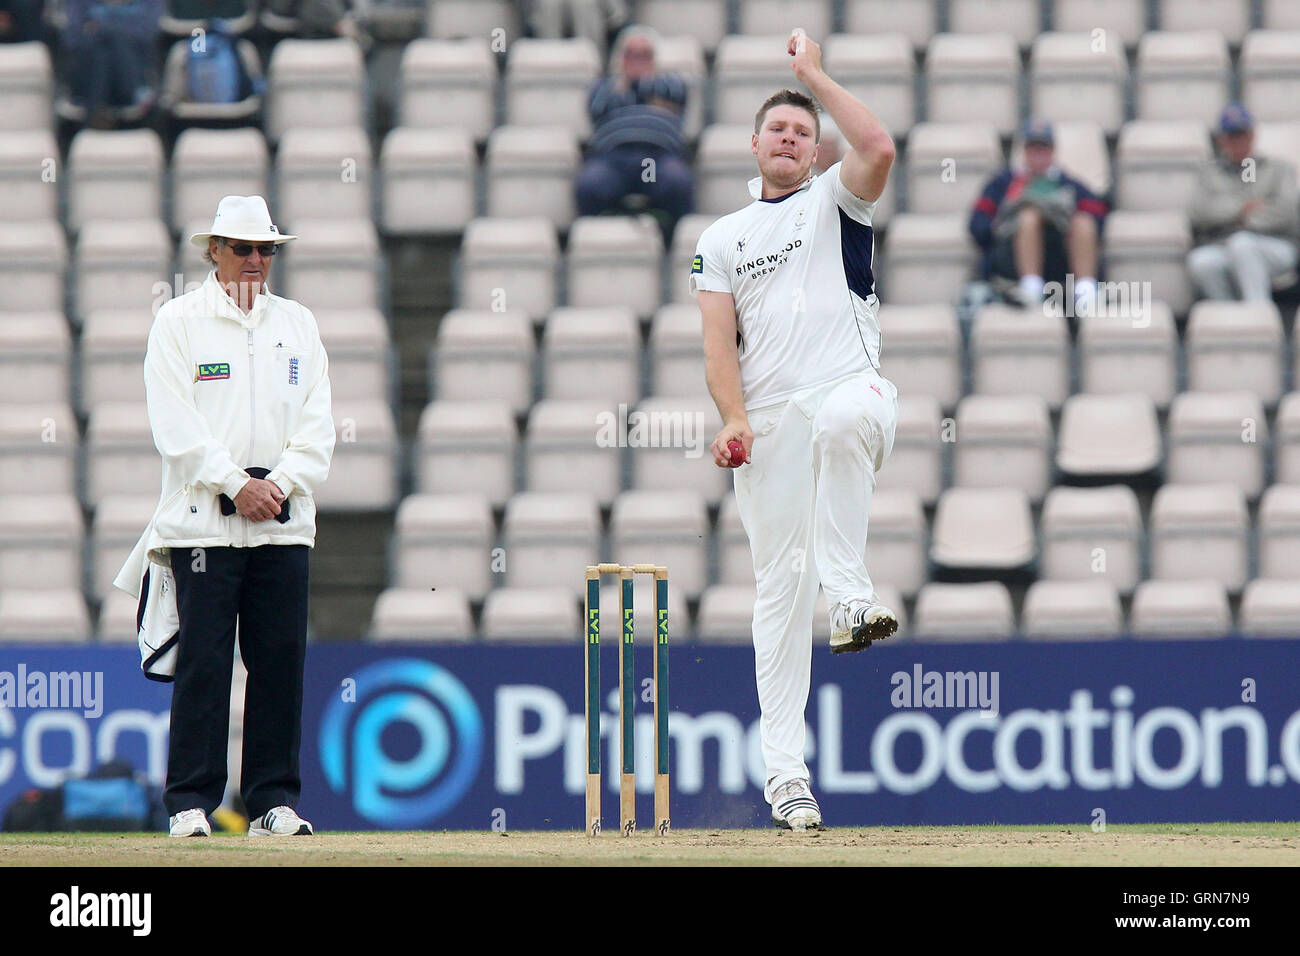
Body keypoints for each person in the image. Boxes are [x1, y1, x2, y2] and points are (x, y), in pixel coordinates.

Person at [690, 30, 899, 831]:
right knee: (778, 596)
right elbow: (717, 346)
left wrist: (814, 77)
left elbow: (877, 143)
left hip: (853, 387)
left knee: (847, 416)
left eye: (803, 131)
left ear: (817, 152)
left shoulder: (838, 198)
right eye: (778, 127)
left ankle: (849, 600)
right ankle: (788, 782)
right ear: (753, 144)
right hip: (771, 424)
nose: (789, 138)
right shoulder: (721, 240)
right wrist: (734, 418)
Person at [122, 195, 334, 838]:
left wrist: (277, 488)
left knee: (278, 665)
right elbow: (175, 429)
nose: (254, 260)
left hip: (281, 524)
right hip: (201, 526)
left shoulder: (298, 324)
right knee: (205, 666)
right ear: (212, 250)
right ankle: (190, 802)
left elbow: (318, 428)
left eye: (265, 249)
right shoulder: (179, 322)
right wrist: (236, 484)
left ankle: (272, 801)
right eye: (242, 248)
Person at [968, 118, 1108, 311]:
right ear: (1024, 151)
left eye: (1043, 149)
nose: (1038, 156)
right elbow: (978, 223)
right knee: (1029, 217)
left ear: (1052, 152)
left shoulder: (1067, 183)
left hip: (1060, 257)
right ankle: (1031, 288)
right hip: (1012, 258)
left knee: (1082, 221)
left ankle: (1086, 292)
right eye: (1033, 149)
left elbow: (1098, 215)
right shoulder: (1003, 183)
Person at [575, 24, 693, 241]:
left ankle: (672, 244)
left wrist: (634, 86)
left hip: (660, 157)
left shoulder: (672, 82)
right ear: (619, 57)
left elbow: (677, 92)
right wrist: (652, 98)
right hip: (613, 158)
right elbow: (597, 105)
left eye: (645, 55)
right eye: (630, 54)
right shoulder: (603, 86)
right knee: (590, 184)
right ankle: (595, 242)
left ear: (657, 58)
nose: (637, 60)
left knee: (678, 182)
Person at [1186, 103, 1299, 302]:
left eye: (1242, 134)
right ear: (1221, 140)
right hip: (1224, 244)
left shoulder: (1279, 169)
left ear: (1252, 135)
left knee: (1243, 244)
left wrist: (1243, 222)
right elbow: (1199, 212)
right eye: (1231, 135)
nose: (1237, 141)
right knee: (1201, 262)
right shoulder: (1209, 172)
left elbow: (1288, 211)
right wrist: (1241, 209)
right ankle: (1231, 321)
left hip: (1276, 244)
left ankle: (1258, 314)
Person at [62, 0, 164, 127]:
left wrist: (100, 29)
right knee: (104, 44)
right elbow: (74, 38)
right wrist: (115, 30)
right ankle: (137, 92)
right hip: (89, 74)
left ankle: (96, 111)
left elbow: (146, 33)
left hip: (130, 68)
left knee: (108, 40)